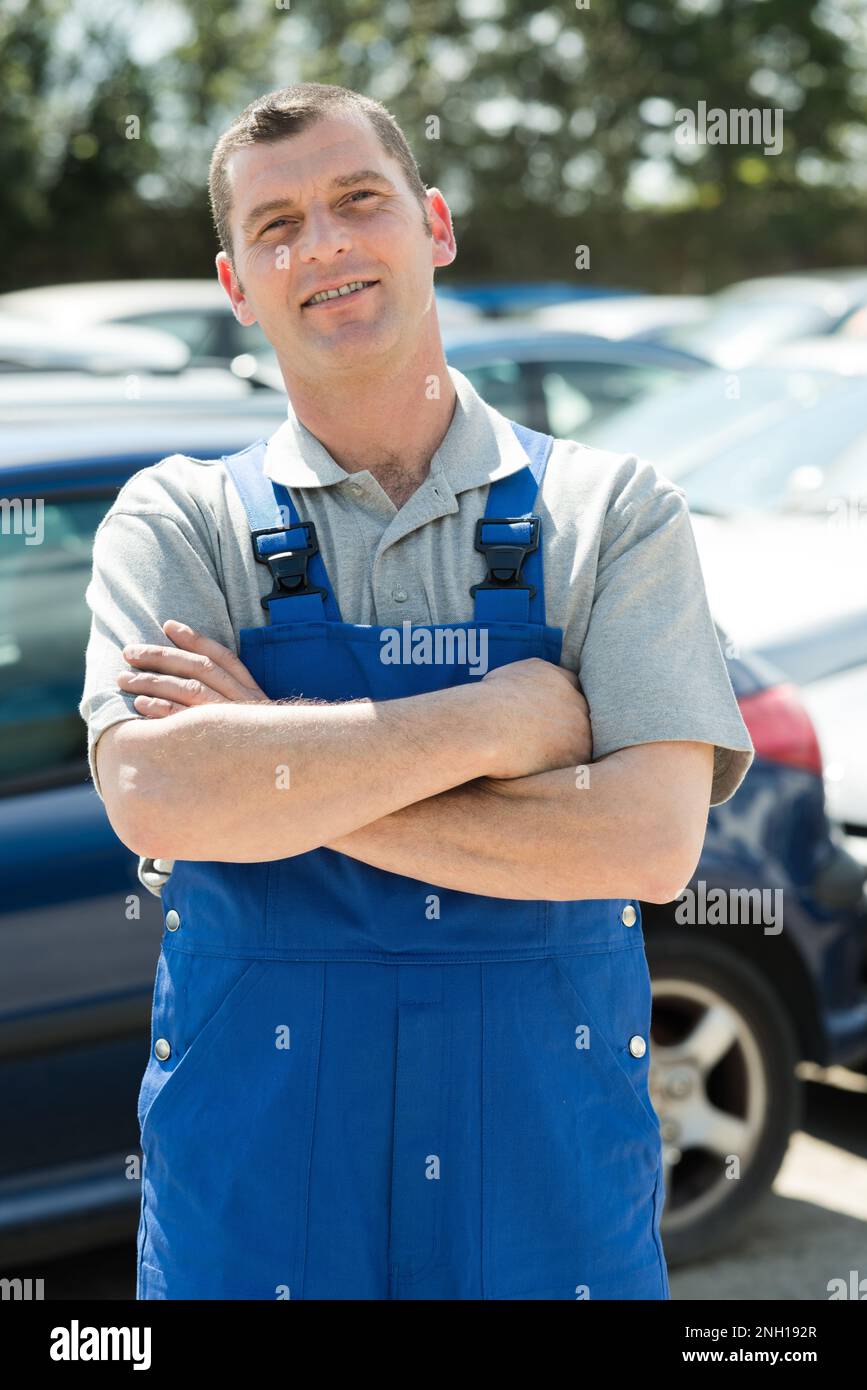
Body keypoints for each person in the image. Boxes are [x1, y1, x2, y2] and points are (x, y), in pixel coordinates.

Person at [79, 83, 754, 1301]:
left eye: (357, 200)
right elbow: (155, 792)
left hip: (548, 1217)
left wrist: (270, 775)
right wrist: (503, 724)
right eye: (274, 225)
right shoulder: (177, 518)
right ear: (237, 286)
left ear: (434, 226)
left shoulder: (611, 513)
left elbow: (650, 841)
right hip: (256, 1221)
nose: (322, 243)